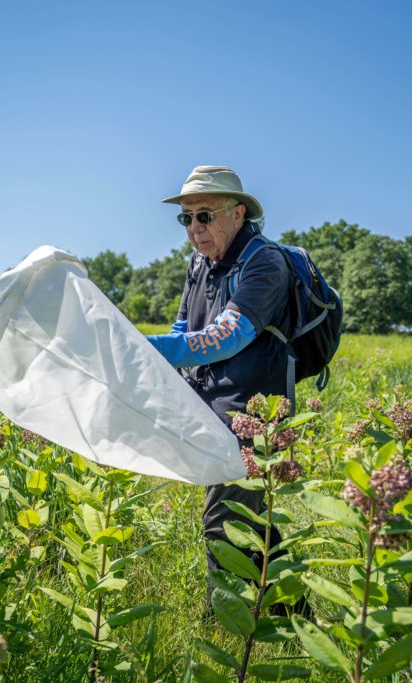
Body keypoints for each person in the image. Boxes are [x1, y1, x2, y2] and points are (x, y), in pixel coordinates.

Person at [145, 166, 296, 602]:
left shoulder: (265, 263)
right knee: (249, 520)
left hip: (256, 412)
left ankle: (224, 622)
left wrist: (143, 345)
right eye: (186, 218)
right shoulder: (200, 264)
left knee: (224, 519)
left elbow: (226, 337)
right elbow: (182, 328)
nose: (194, 228)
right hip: (211, 405)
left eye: (204, 216)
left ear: (238, 212)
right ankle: (297, 616)